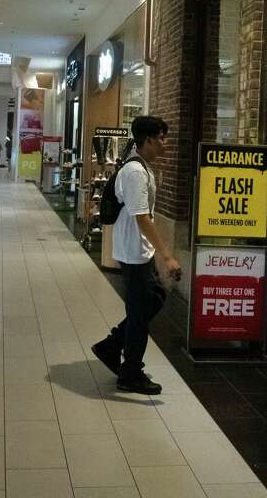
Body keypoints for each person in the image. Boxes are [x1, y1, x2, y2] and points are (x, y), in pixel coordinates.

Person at [91, 116, 180, 395]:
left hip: (139, 251)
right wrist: (167, 256)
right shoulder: (135, 172)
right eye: (162, 138)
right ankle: (130, 373)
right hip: (133, 252)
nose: (165, 143)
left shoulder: (143, 168)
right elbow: (142, 217)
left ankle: (112, 345)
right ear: (150, 139)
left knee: (154, 298)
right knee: (140, 315)